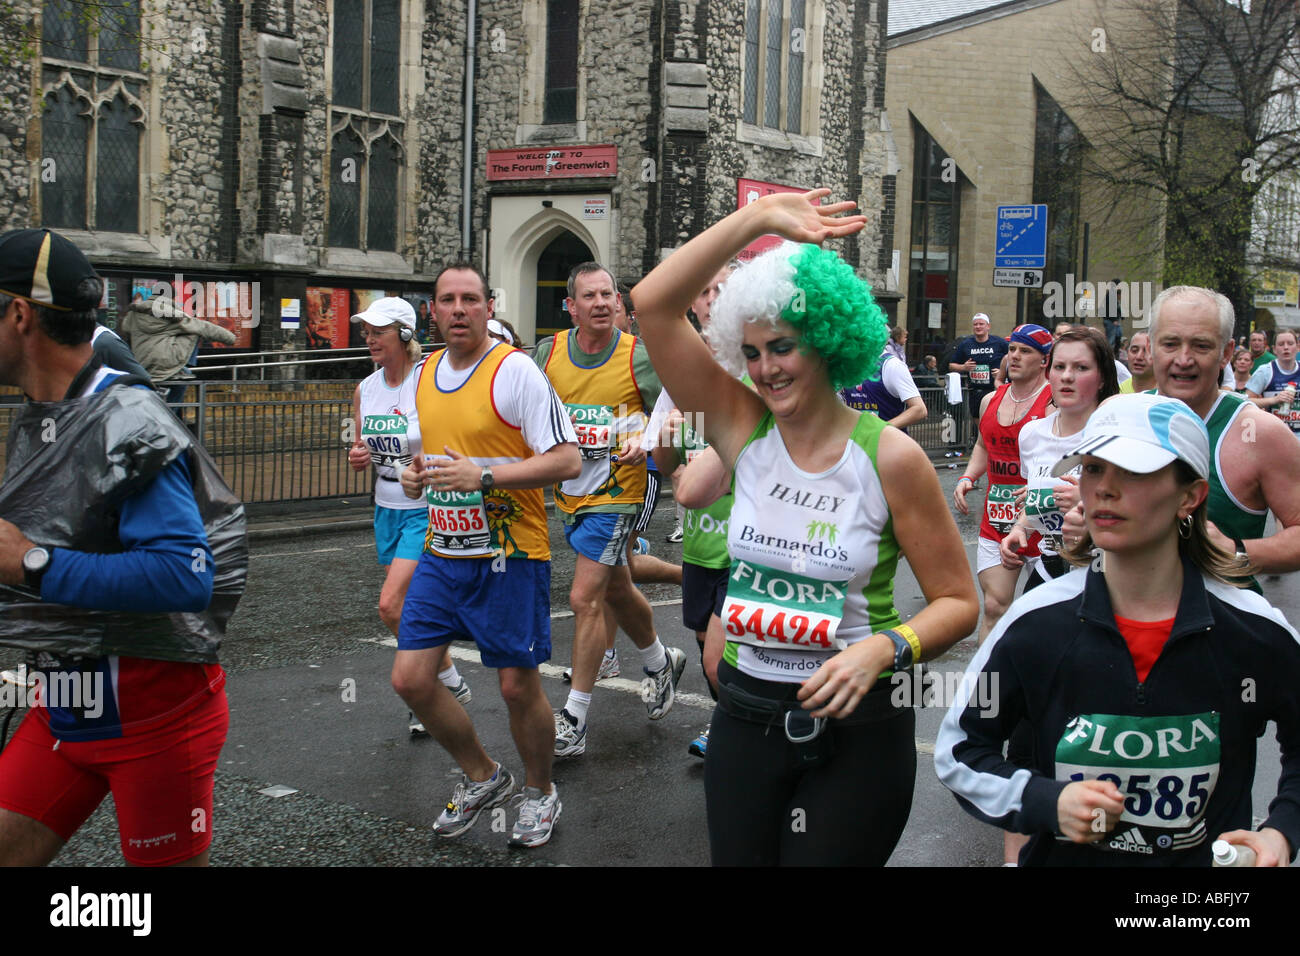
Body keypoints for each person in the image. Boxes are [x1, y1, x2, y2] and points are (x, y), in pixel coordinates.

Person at [631, 189, 978, 866]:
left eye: (782, 346)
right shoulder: (741, 428)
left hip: (859, 724)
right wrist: (757, 221)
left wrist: (885, 649)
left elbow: (959, 605)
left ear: (825, 339)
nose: (765, 369)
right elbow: (652, 305)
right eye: (752, 351)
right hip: (746, 712)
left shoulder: (891, 457)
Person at [936, 393, 1300, 867]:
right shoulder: (1034, 622)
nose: (1104, 489)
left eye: (1133, 472)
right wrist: (1046, 801)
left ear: (1190, 495)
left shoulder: (1253, 629)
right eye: (1093, 468)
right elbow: (959, 751)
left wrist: (1282, 832)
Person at [0, 228, 240, 866]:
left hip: (155, 725)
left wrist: (28, 563)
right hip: (60, 709)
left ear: (19, 314)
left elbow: (182, 576)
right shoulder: (47, 407)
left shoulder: (124, 416)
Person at [393, 263, 580, 848]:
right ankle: (483, 776)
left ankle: (540, 792)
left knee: (517, 688)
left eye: (469, 299)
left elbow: (568, 460)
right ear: (433, 311)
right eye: (446, 300)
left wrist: (486, 475)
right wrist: (412, 477)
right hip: (442, 549)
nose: (457, 310)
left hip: (509, 554)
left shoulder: (514, 371)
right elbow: (420, 454)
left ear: (488, 306)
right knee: (411, 679)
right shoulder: (422, 373)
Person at [534, 263, 686, 759]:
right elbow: (526, 410)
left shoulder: (640, 356)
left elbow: (682, 406)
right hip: (573, 494)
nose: (601, 303)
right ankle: (660, 661)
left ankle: (575, 717)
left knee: (584, 597)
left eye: (608, 295)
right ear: (570, 306)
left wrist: (647, 442)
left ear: (618, 303)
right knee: (617, 586)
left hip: (622, 491)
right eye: (589, 296)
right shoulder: (548, 353)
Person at [1064, 286, 1300, 577]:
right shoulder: (1118, 414)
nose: (1184, 359)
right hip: (1120, 612)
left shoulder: (1260, 433)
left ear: (1226, 352)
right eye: (1171, 344)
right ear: (1150, 347)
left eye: (1201, 345)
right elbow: (1088, 509)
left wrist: (1232, 550)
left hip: (1220, 616)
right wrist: (1083, 522)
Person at [993, 326, 1119, 864]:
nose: (1067, 378)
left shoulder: (1117, 432)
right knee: (1025, 732)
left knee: (1092, 729)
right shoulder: (1034, 435)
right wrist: (1019, 532)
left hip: (1107, 590)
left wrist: (1088, 508)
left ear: (1101, 378)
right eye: (1060, 367)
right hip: (1046, 585)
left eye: (1080, 368)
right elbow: (1033, 504)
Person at [346, 297, 470, 736]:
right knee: (412, 609)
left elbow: (448, 434)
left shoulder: (427, 382)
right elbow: (364, 446)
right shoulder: (366, 388)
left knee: (392, 605)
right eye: (366, 332)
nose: (369, 339)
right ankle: (449, 682)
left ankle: (432, 686)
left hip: (425, 508)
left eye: (377, 331)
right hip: (386, 509)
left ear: (402, 334)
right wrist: (359, 455)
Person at [647, 263, 738, 758]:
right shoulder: (678, 377)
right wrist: (667, 440)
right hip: (702, 546)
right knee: (708, 645)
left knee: (716, 659)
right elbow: (664, 464)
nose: (711, 299)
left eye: (721, 289)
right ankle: (731, 724)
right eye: (702, 290)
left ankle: (738, 735)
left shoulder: (751, 368)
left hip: (746, 548)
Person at [952, 324, 1054, 641]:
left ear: (1044, 361)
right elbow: (984, 445)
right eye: (1012, 350)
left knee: (1047, 615)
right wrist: (969, 476)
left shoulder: (1055, 402)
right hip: (997, 518)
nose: (1015, 356)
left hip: (1043, 520)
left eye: (1026, 351)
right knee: (995, 607)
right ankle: (988, 687)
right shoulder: (990, 401)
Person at [120, 292, 237, 402]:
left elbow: (125, 328)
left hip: (142, 363)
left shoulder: (134, 315)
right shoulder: (174, 317)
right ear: (170, 300)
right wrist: (231, 338)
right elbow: (204, 327)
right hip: (165, 364)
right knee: (194, 330)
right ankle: (184, 369)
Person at [841, 345, 927, 432]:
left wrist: (882, 428)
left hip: (887, 442)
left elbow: (919, 409)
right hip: (852, 441)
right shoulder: (847, 364)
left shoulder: (893, 365)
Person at [949, 313, 1008, 439]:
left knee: (995, 420)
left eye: (981, 324)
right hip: (975, 391)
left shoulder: (999, 343)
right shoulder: (966, 344)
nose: (978, 326)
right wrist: (963, 367)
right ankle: (984, 443)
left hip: (995, 390)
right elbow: (951, 365)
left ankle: (992, 442)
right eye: (975, 324)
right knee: (978, 420)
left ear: (988, 326)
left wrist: (1002, 372)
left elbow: (1014, 359)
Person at [1245, 327, 1300, 439]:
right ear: (1274, 349)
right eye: (1281, 344)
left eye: (1290, 343)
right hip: (1274, 436)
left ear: (1298, 347)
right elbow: (1246, 401)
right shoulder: (1265, 371)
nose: (1286, 347)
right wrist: (1274, 400)